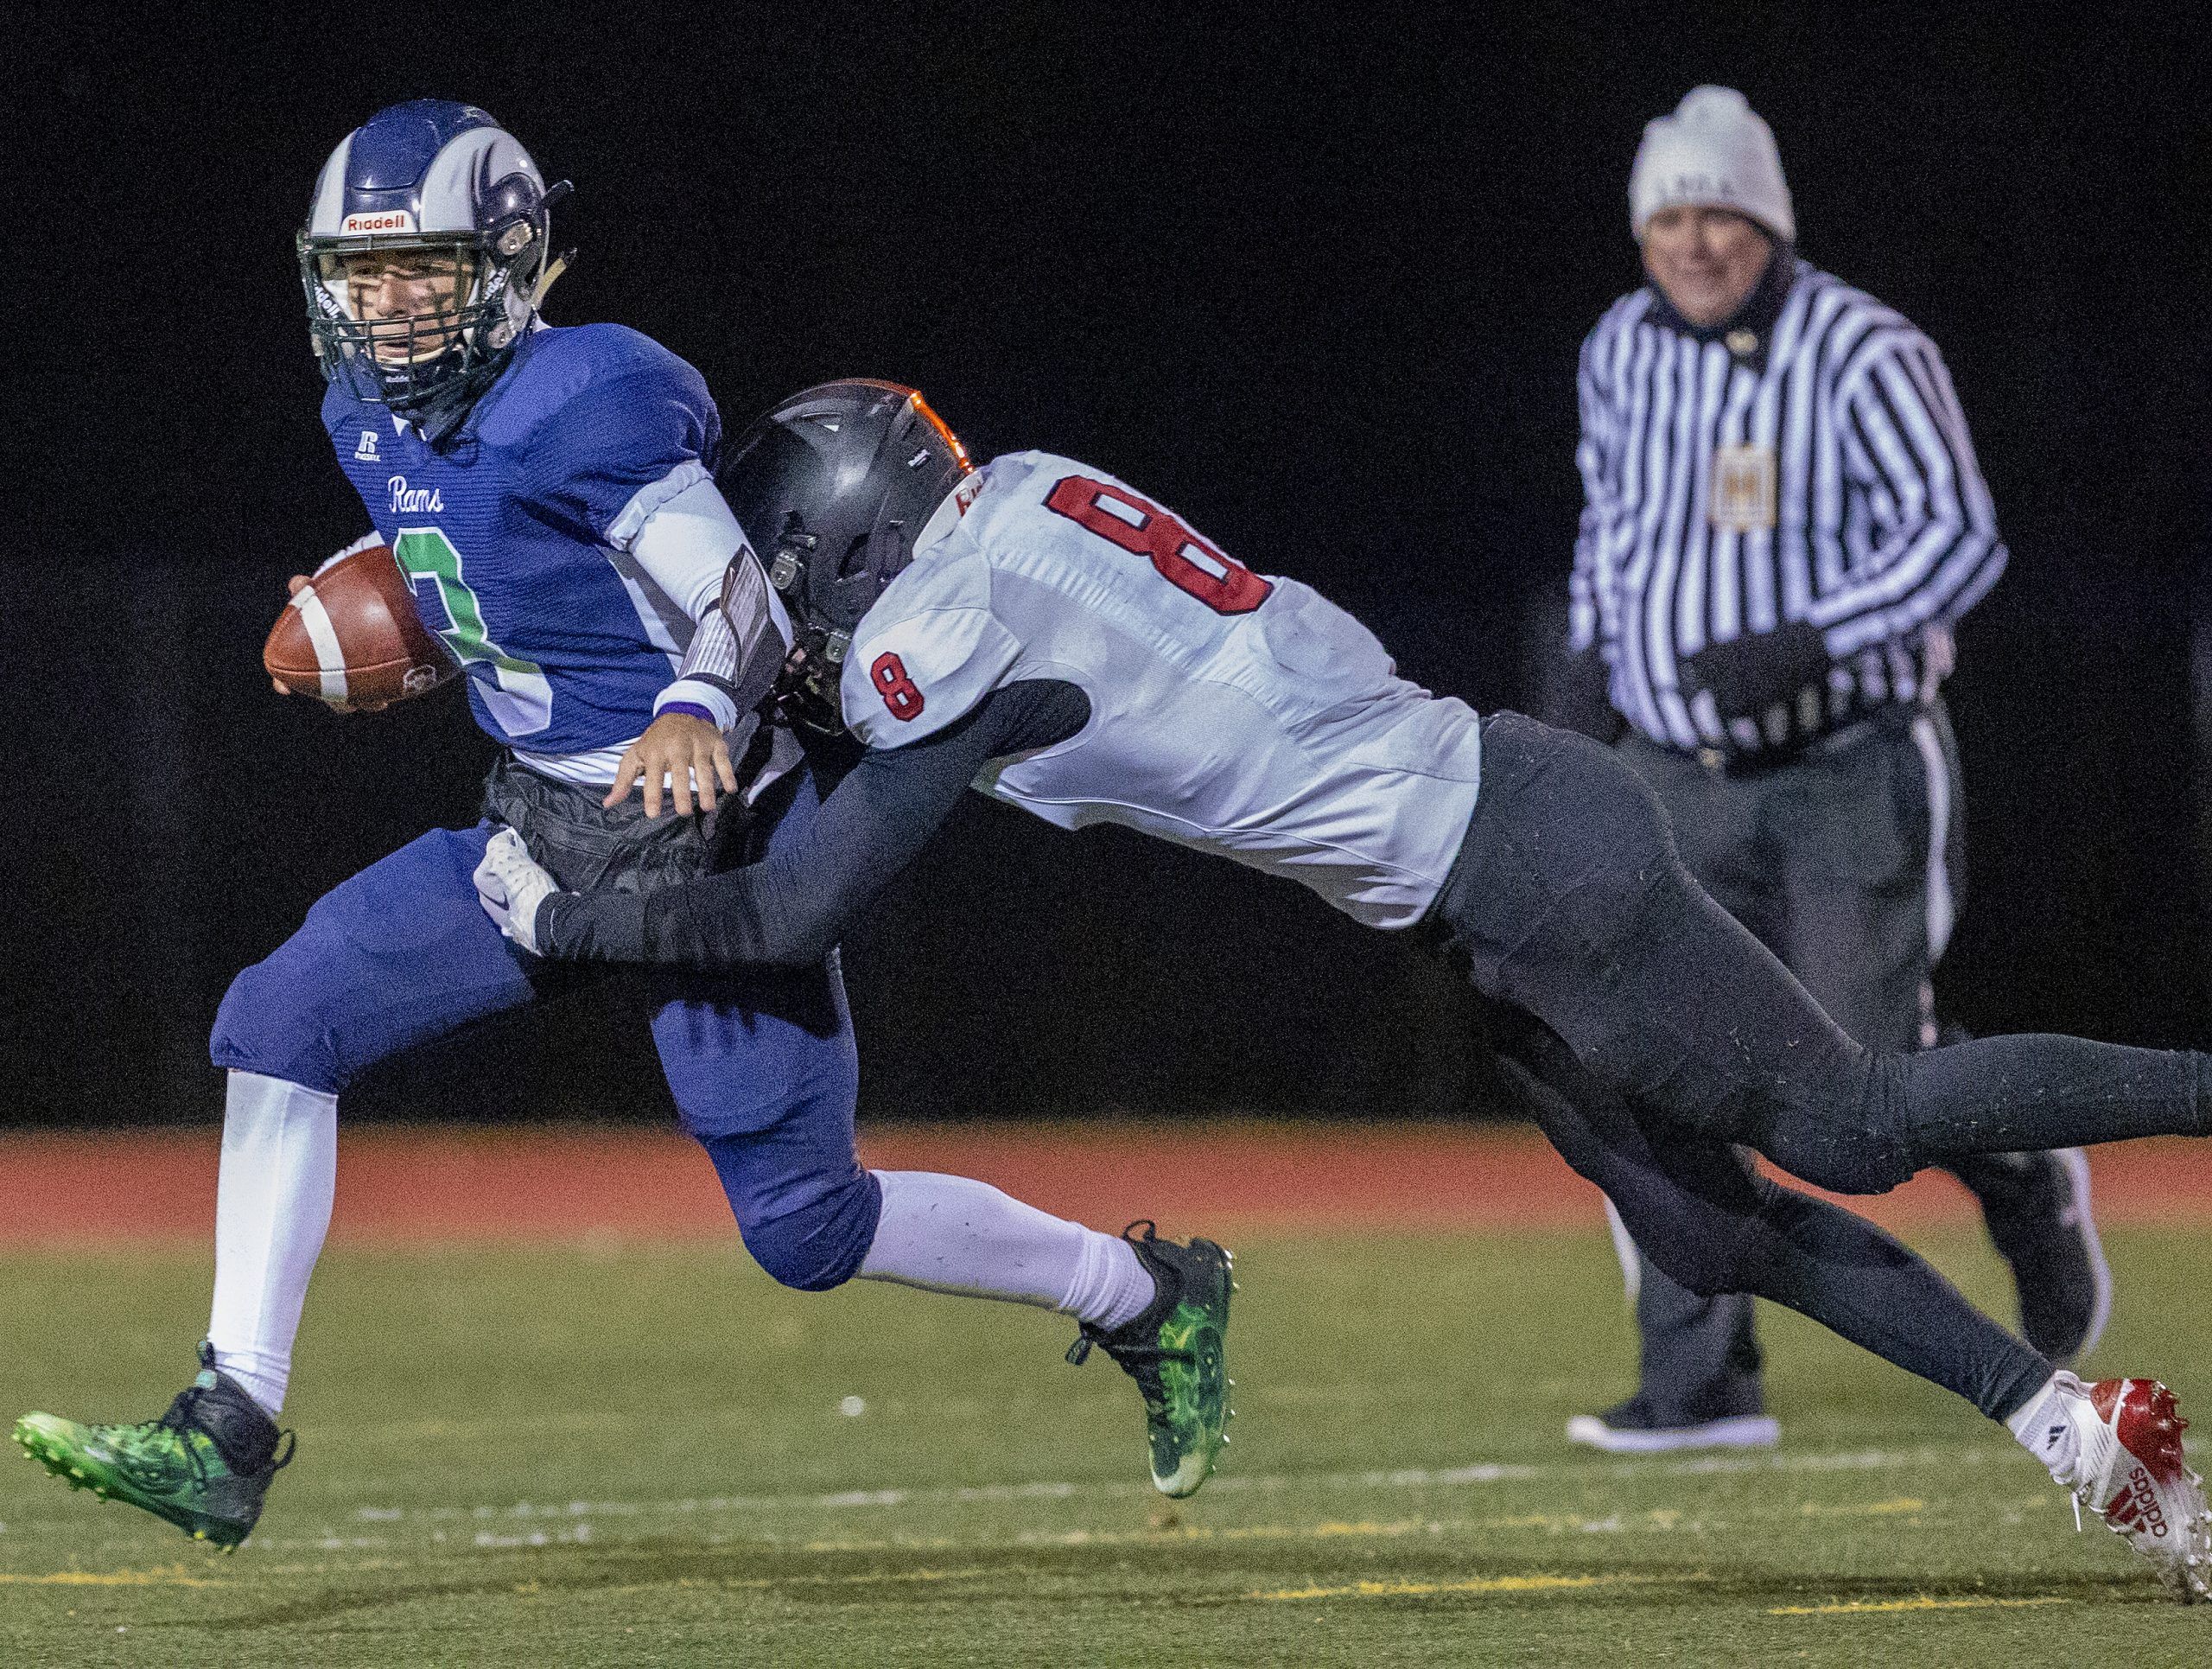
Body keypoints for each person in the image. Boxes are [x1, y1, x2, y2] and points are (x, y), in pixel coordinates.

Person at [481, 378, 2212, 1598]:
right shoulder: (1010, 503)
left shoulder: (942, 627)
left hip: (1525, 866)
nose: (785, 625)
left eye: (788, 581)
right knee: (1701, 1231)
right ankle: (2081, 1439)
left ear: (846, 540)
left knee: (1852, 1121)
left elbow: (797, 908)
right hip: (1486, 863)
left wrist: (564, 926)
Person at [10, 105, 1231, 1552]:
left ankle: (1145, 1296)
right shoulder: (360, 411)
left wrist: (696, 708)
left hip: (701, 831)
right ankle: (228, 1426)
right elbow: (497, 561)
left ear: (515, 265)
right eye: (362, 273)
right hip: (535, 825)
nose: (389, 305)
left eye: (429, 270)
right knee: (280, 1017)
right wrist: (417, 628)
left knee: (808, 1231)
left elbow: (734, 595)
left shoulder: (584, 396)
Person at [1556, 86, 2108, 1454]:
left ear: (1769, 221)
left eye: (1718, 215)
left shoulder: (1862, 349)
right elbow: (1614, 523)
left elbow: (1960, 534)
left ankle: (2024, 1169)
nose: (1692, 243)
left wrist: (1819, 635)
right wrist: (1587, 669)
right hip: (1672, 768)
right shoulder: (1619, 348)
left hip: (1843, 767)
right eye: (1667, 217)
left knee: (1862, 1085)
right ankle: (1699, 1385)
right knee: (1650, 1056)